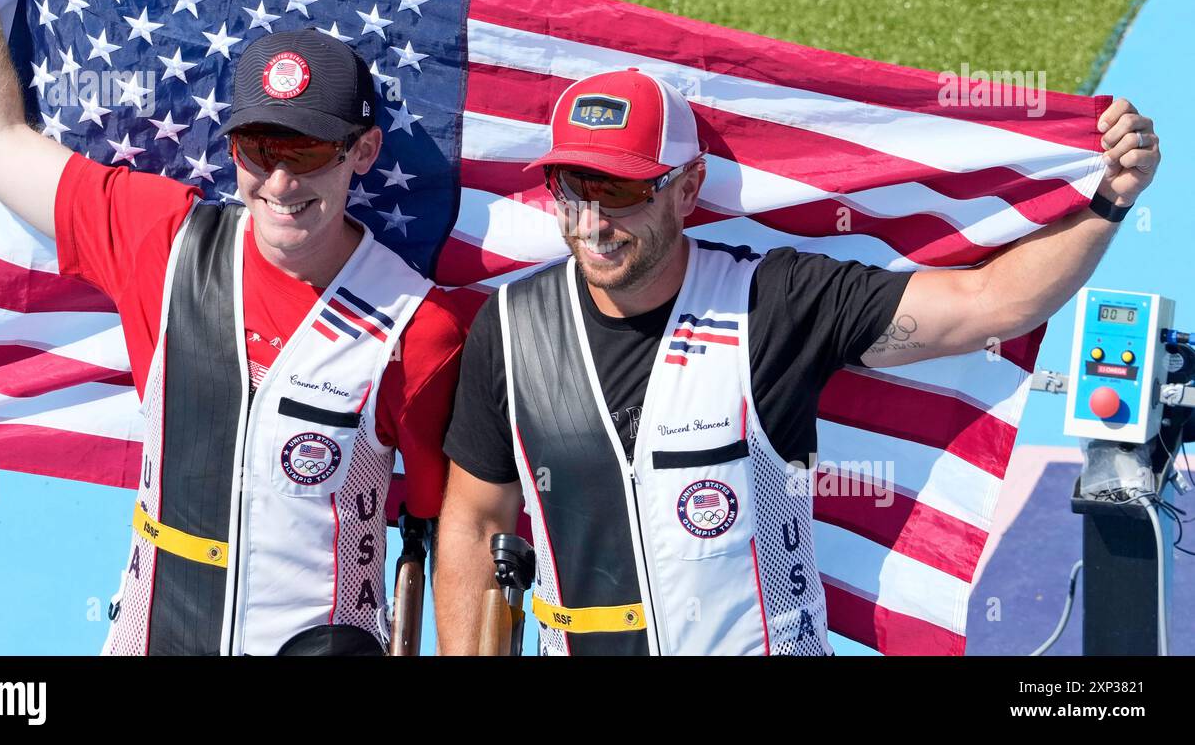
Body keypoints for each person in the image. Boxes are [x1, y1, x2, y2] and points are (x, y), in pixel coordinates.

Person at [0, 0, 466, 655]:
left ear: (363, 153)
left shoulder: (418, 329)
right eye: (260, 151)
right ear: (230, 148)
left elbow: (446, 521)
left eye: (310, 152)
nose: (282, 183)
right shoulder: (161, 241)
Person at [434, 66, 1160, 655]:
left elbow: (990, 306)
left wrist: (1109, 201)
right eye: (572, 187)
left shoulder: (775, 302)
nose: (592, 221)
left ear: (687, 189)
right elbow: (474, 519)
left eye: (621, 190)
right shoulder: (510, 328)